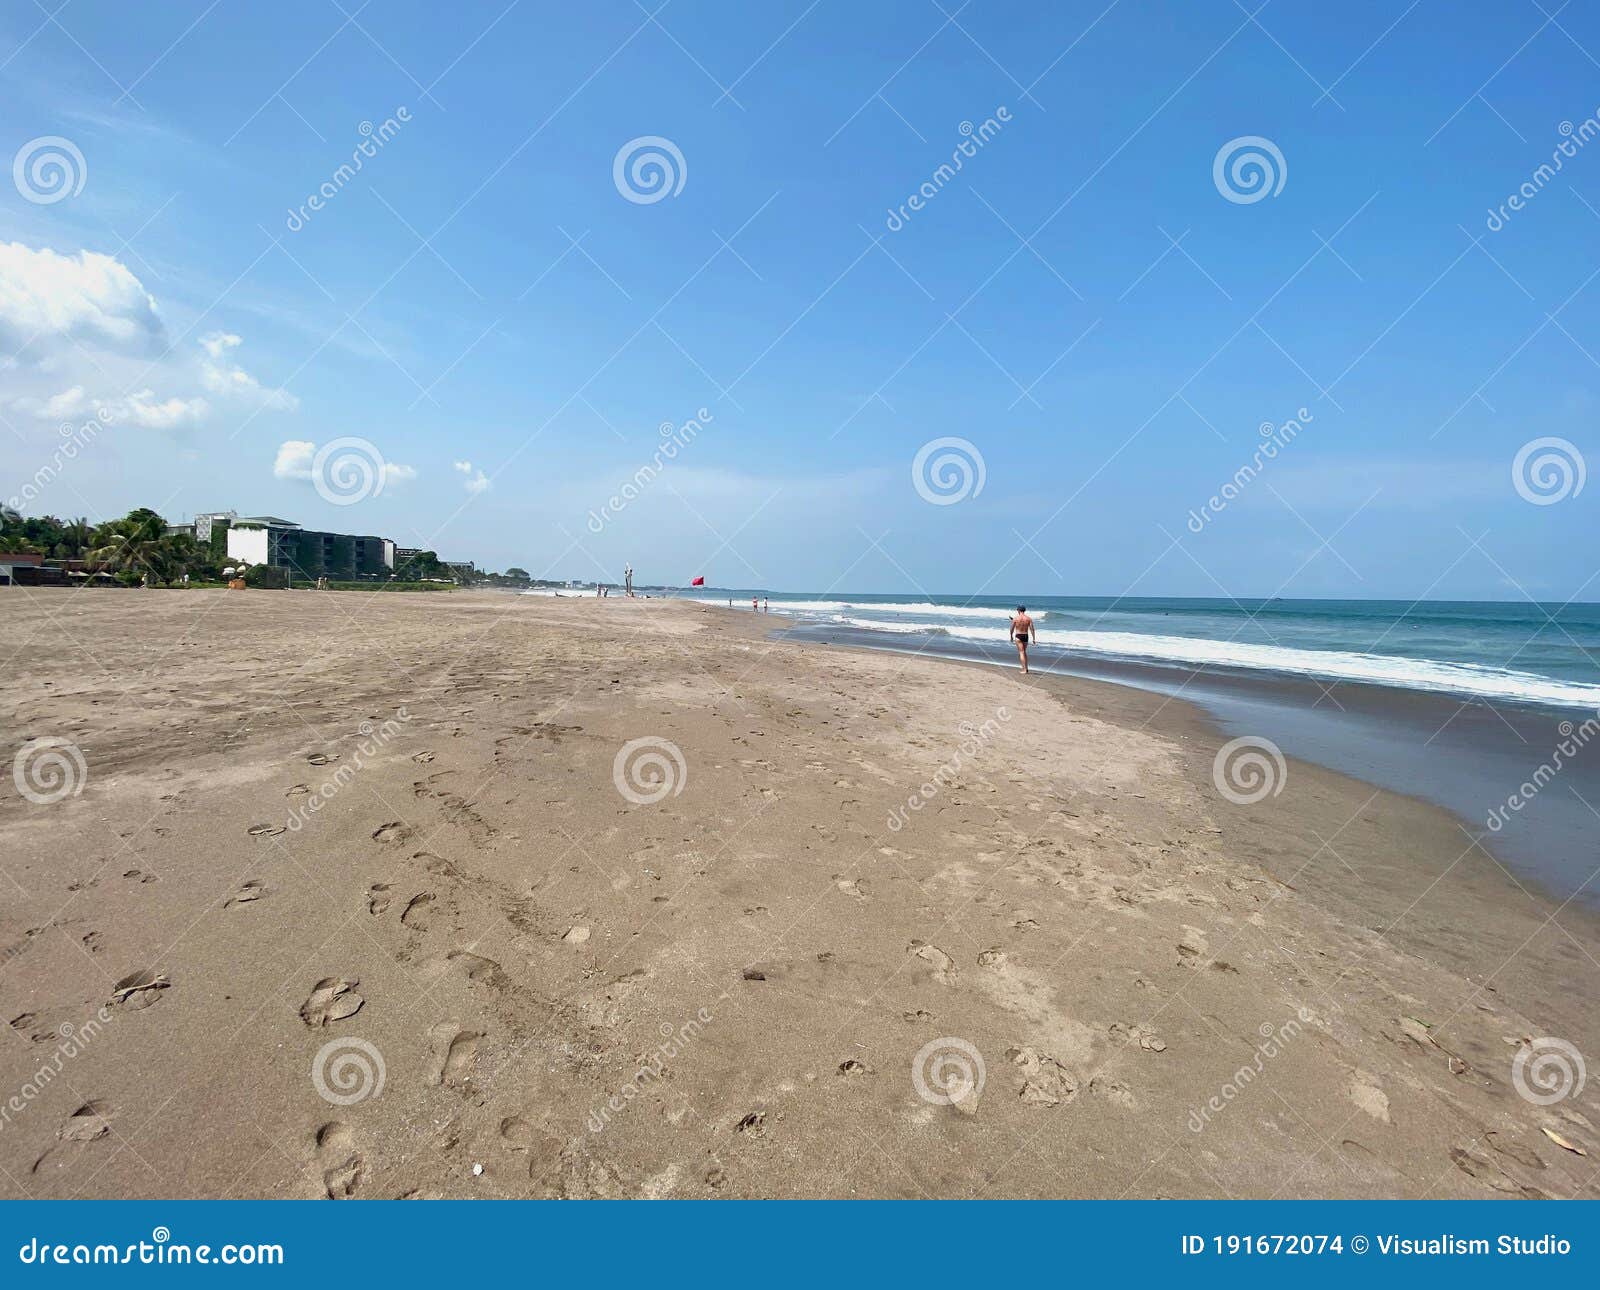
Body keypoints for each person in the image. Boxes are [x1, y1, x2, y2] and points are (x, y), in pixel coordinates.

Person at [1009, 605, 1035, 674]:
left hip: (1018, 635)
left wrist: (1011, 636)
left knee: (1021, 652)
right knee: (1024, 652)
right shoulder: (1029, 618)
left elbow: (1011, 628)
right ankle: (1026, 668)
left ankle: (1024, 669)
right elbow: (1032, 629)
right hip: (1026, 636)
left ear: (1018, 610)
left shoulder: (1016, 618)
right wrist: (1034, 638)